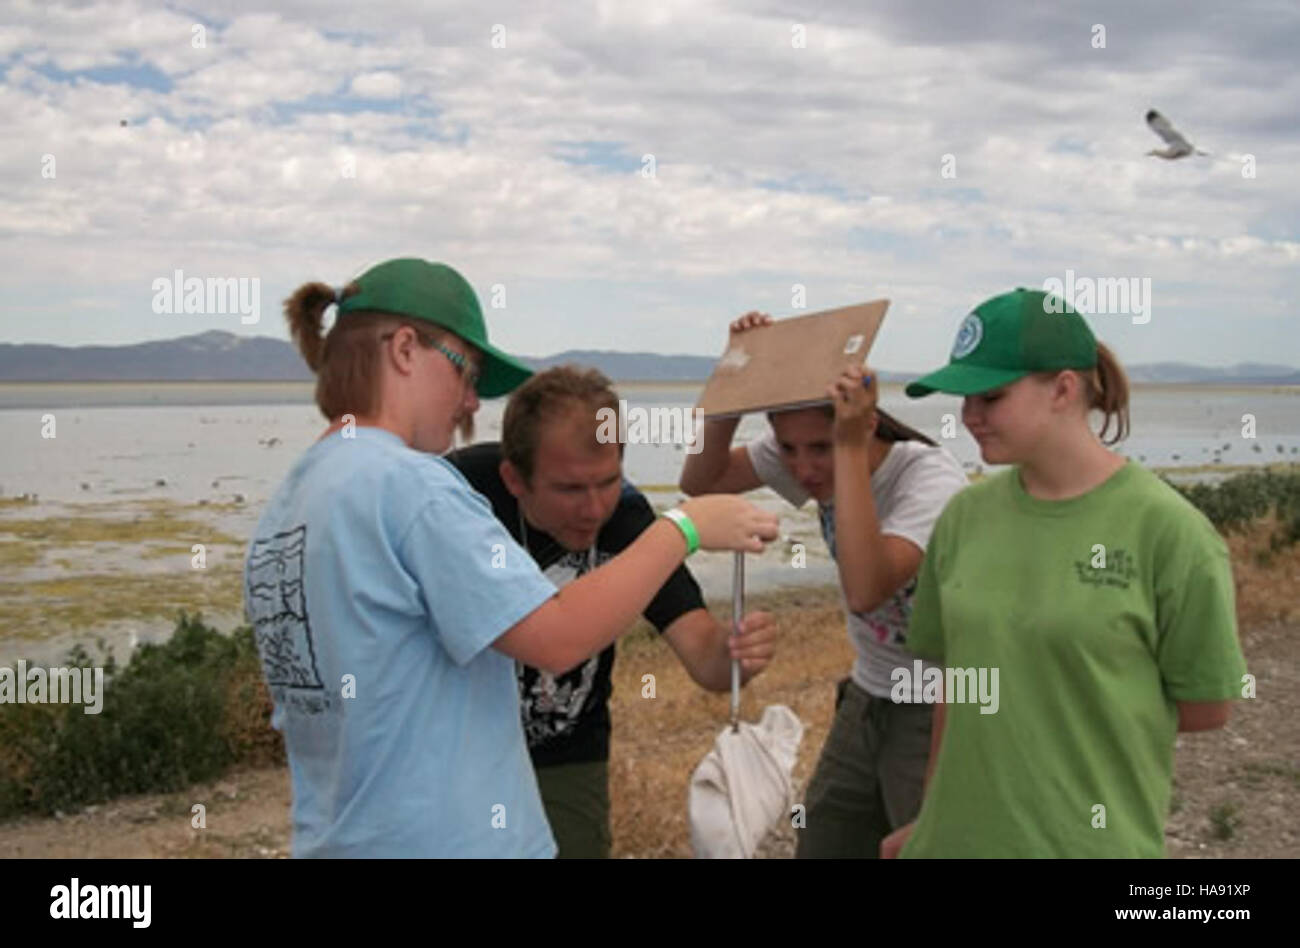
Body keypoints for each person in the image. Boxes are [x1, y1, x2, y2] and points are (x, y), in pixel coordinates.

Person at [242, 258, 778, 858]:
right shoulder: (413, 486)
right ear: (403, 350)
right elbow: (555, 637)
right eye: (466, 372)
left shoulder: (285, 509)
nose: (472, 402)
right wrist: (686, 526)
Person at [882, 287, 1248, 858]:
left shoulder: (1171, 533)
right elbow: (955, 682)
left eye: (990, 397)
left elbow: (1206, 706)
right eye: (964, 399)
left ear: (1063, 389)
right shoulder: (963, 517)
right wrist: (930, 818)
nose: (969, 417)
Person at [448, 365, 780, 858]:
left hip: (567, 752)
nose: (593, 509)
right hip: (455, 751)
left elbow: (705, 657)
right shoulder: (457, 494)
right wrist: (686, 528)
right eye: (569, 489)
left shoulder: (627, 519)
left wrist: (736, 654)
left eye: (607, 481)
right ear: (513, 478)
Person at [679, 311, 968, 858]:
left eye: (820, 448)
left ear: (861, 426)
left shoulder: (927, 477)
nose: (804, 468)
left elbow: (867, 587)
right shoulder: (806, 455)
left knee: (928, 848)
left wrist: (850, 447)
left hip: (936, 704)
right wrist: (731, 394)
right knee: (825, 841)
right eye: (788, 448)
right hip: (867, 690)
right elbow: (700, 483)